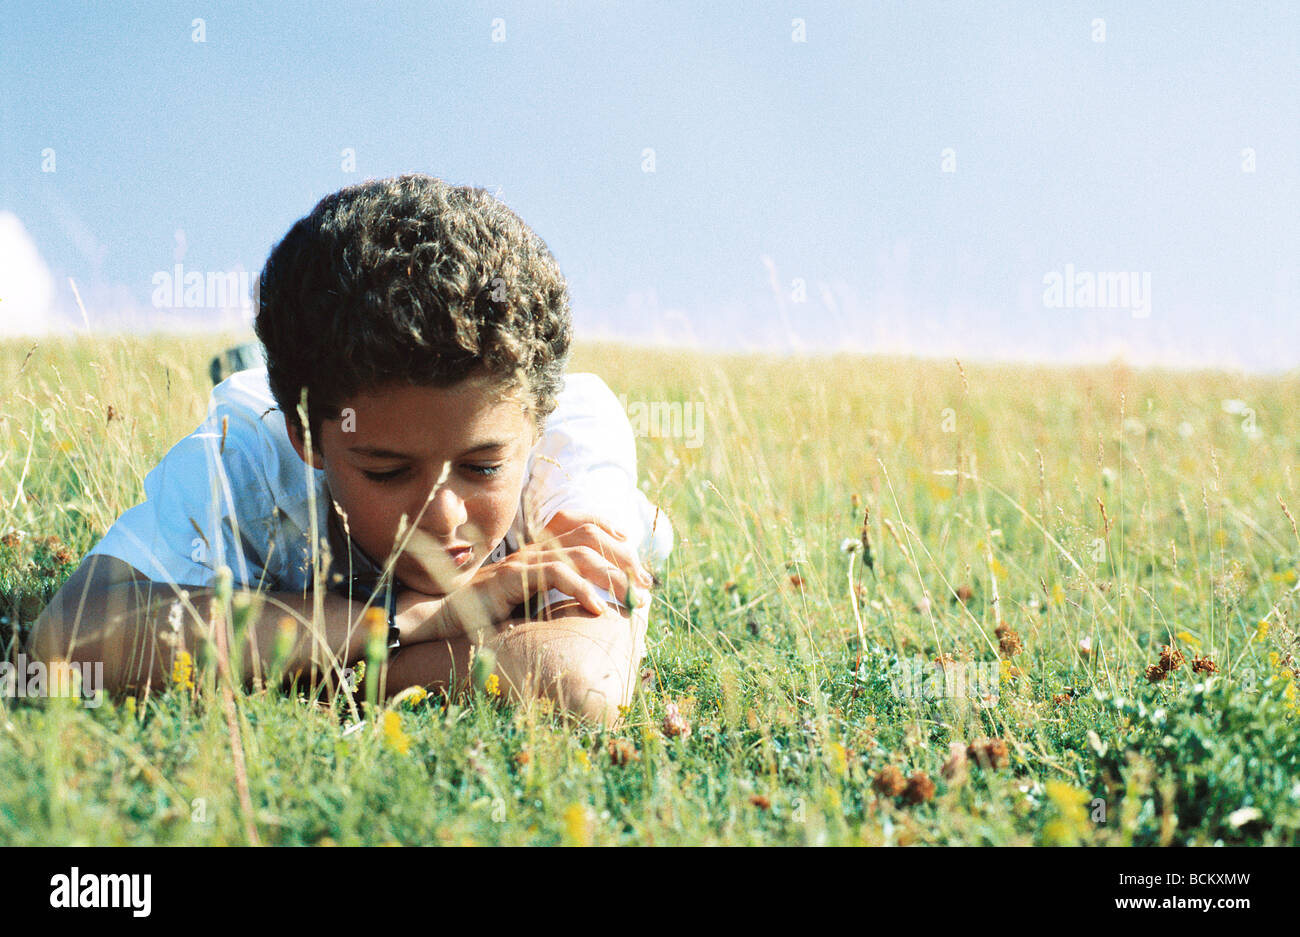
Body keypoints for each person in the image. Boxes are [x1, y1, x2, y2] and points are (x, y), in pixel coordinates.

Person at [30, 174, 672, 726]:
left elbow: (579, 685)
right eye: (388, 471)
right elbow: (67, 643)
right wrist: (403, 623)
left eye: (481, 468)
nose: (444, 519)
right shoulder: (248, 446)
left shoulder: (569, 439)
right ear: (306, 436)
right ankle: (248, 363)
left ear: (534, 426)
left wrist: (282, 662)